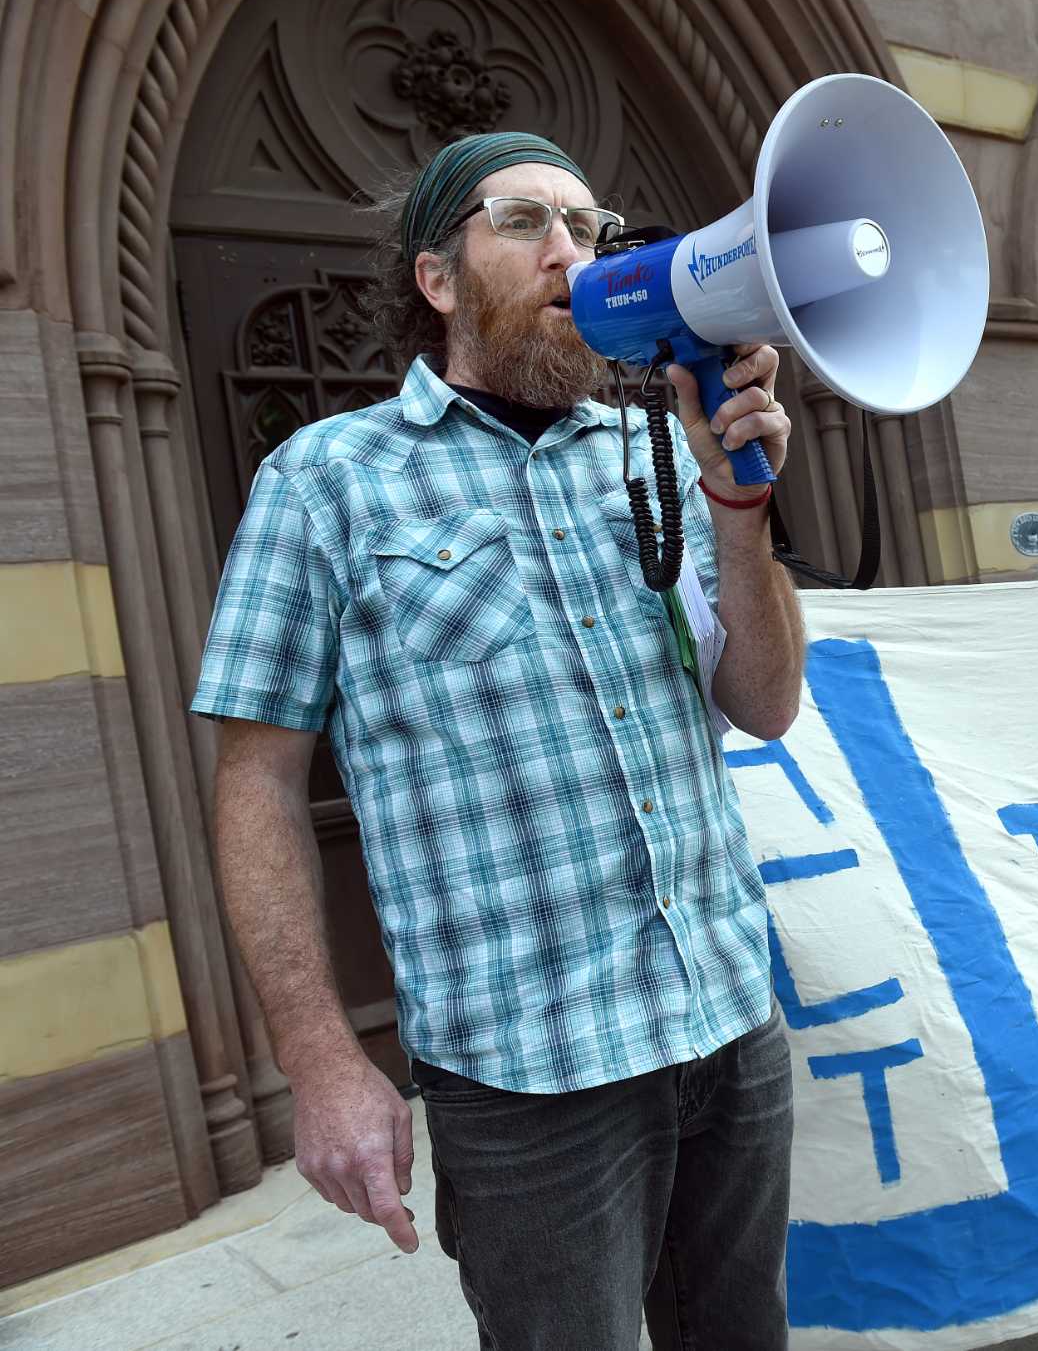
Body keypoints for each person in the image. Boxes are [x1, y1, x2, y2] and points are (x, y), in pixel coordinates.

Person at [191, 132, 803, 1351]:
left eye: (587, 225)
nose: (568, 252)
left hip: (728, 1022)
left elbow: (767, 702)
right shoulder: (327, 481)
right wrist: (320, 1060)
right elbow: (254, 782)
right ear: (437, 279)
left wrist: (739, 507)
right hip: (531, 1077)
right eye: (525, 221)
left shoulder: (654, 456)